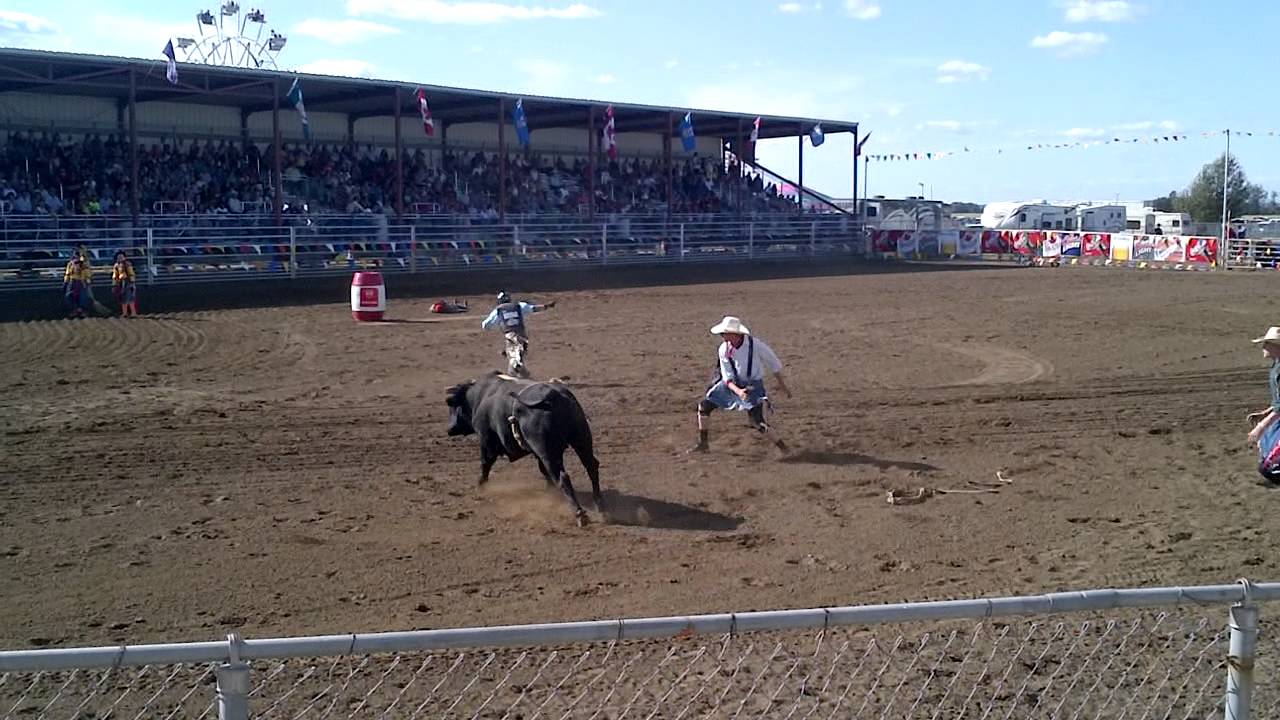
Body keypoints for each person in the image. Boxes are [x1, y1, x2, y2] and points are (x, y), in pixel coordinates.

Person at [690, 315, 791, 453]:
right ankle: (703, 444)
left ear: (734, 334)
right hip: (733, 385)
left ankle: (784, 448)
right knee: (704, 407)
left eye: (725, 333)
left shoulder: (756, 345)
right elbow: (727, 377)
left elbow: (773, 363)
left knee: (757, 423)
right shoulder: (723, 349)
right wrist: (738, 391)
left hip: (753, 386)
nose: (723, 336)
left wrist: (782, 385)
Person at [481, 291, 556, 378]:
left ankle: (524, 377)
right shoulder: (519, 306)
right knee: (516, 357)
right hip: (522, 335)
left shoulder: (499, 310)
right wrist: (546, 306)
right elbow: (533, 308)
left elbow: (485, 325)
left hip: (510, 336)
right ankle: (516, 377)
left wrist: (498, 324)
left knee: (515, 360)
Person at [1249, 326, 1280, 482]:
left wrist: (1261, 426)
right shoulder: (1276, 366)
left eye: (1266, 343)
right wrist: (1266, 413)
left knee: (1268, 467)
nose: (1263, 347)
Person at [111, 251, 138, 317]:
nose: (120, 258)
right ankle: (125, 312)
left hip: (128, 282)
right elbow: (115, 276)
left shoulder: (127, 264)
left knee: (130, 298)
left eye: (121, 257)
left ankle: (133, 313)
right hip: (121, 283)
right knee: (123, 299)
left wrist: (132, 283)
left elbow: (131, 274)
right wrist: (114, 285)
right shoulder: (116, 266)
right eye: (119, 257)